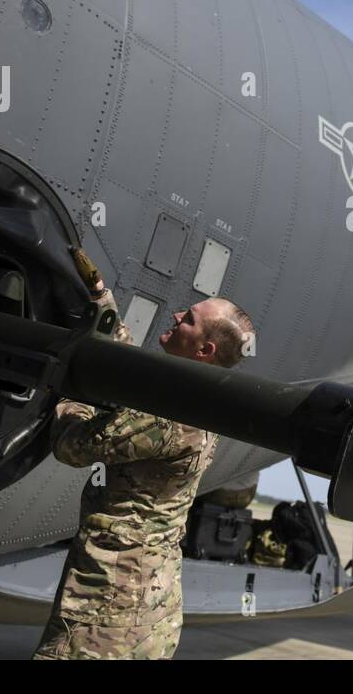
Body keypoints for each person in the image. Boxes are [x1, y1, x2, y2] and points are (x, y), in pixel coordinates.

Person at [33, 249, 254, 660]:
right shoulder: (200, 399)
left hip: (108, 611)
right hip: (149, 605)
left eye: (188, 319)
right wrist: (102, 300)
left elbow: (72, 445)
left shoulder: (168, 418)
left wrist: (66, 389)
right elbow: (132, 371)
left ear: (204, 350)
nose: (175, 316)